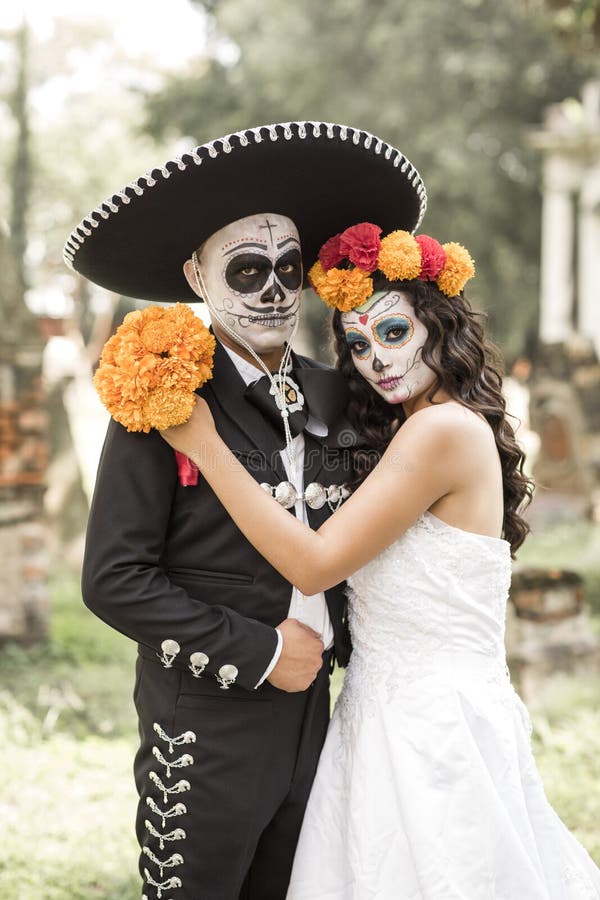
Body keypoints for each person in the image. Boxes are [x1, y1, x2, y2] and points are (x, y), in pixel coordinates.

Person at [160, 224, 600, 899]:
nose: (376, 361)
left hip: (429, 729)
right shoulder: (421, 425)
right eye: (358, 344)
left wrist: (207, 446)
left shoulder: (441, 431)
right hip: (390, 712)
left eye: (394, 333)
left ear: (439, 325)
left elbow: (314, 566)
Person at [64, 123, 427, 899]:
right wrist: (260, 649)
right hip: (206, 722)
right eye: (249, 268)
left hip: (328, 722)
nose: (273, 289)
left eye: (289, 268)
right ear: (198, 275)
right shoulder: (160, 402)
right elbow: (113, 578)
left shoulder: (341, 391)